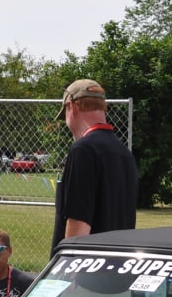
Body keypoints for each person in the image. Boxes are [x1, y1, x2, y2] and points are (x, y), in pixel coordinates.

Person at [51, 78, 138, 250]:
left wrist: (70, 269)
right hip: (117, 260)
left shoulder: (83, 149)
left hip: (87, 267)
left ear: (71, 107)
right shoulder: (125, 154)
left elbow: (79, 225)